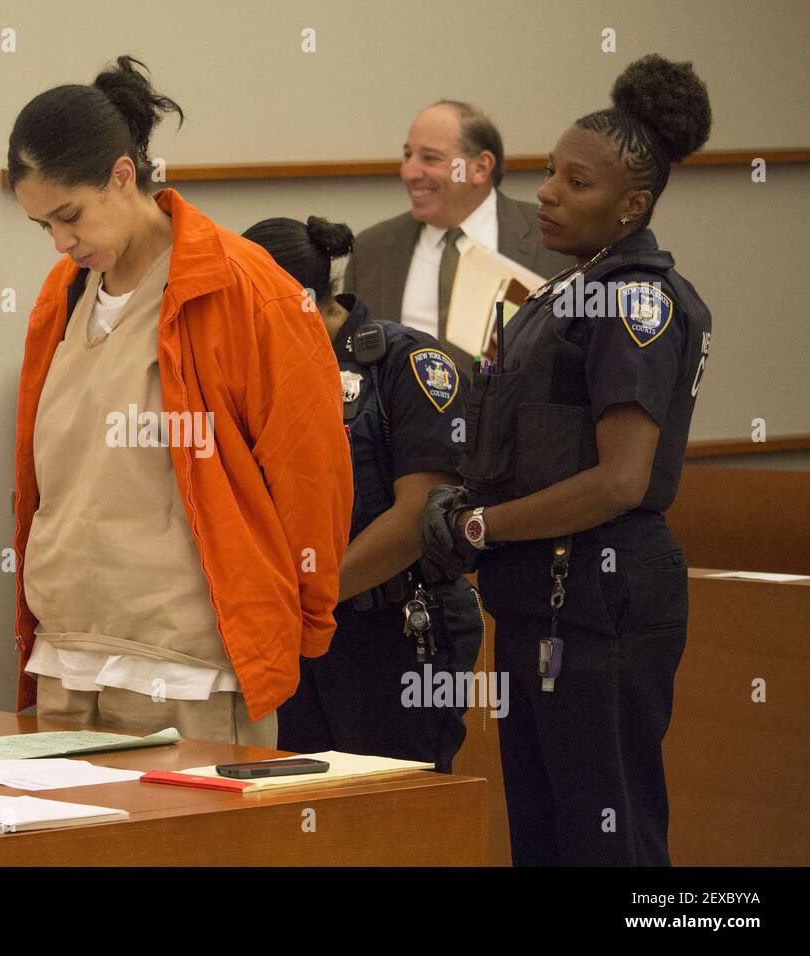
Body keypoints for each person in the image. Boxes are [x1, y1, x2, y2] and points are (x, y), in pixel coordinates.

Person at [420, 55, 713, 865]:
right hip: (541, 594)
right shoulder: (571, 288)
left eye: (576, 183)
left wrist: (480, 525)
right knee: (545, 836)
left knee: (607, 833)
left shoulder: (635, 300)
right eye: (549, 172)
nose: (546, 191)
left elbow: (621, 479)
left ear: (634, 203)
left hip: (599, 596)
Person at [7, 57, 352, 746]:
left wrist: (303, 620)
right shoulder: (62, 295)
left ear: (123, 177)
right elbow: (45, 478)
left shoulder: (244, 286)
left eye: (69, 217)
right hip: (68, 651)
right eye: (42, 225)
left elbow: (309, 468)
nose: (60, 242)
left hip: (187, 664)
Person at [244, 216, 483, 773]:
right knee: (298, 818)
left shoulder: (407, 363)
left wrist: (310, 602)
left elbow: (420, 512)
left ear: (298, 299)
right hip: (296, 636)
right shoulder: (260, 373)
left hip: (396, 631)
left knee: (392, 823)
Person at [345, 100, 573, 371]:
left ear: (480, 167)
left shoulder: (555, 243)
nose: (409, 173)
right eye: (408, 156)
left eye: (430, 158)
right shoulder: (372, 249)